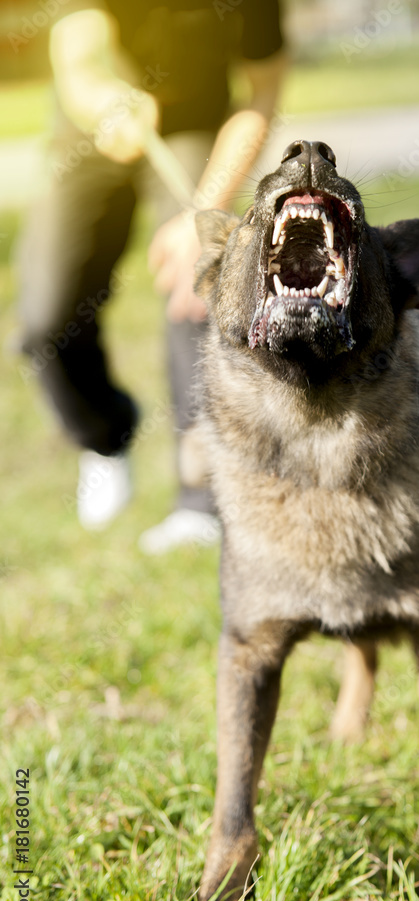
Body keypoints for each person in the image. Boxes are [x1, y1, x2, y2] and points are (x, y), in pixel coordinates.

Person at [18, 0, 286, 551]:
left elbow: (263, 92)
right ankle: (105, 434)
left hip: (195, 127)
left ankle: (200, 497)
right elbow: (80, 56)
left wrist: (204, 211)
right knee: (45, 321)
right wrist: (105, 102)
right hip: (92, 133)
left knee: (196, 286)